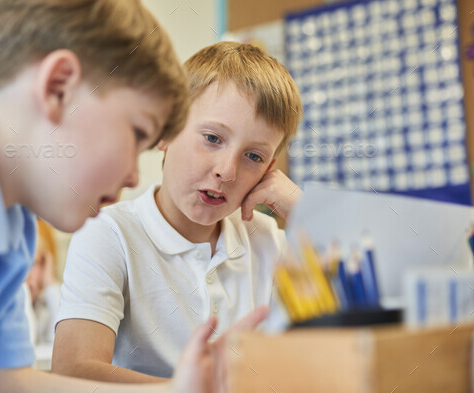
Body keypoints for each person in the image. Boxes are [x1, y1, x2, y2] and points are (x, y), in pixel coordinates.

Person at [0, 1, 265, 392]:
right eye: (136, 134)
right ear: (58, 87)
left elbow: (5, 382)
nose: (134, 176)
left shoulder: (10, 228)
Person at [52, 41, 304, 382]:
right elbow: (73, 372)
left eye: (254, 157)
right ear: (167, 130)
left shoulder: (268, 241)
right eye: (213, 138)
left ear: (269, 169)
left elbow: (360, 331)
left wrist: (301, 209)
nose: (227, 171)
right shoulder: (108, 232)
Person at [24, 219, 61, 345]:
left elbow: (60, 341)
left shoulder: (45, 304)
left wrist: (50, 284)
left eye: (35, 263)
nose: (28, 273)